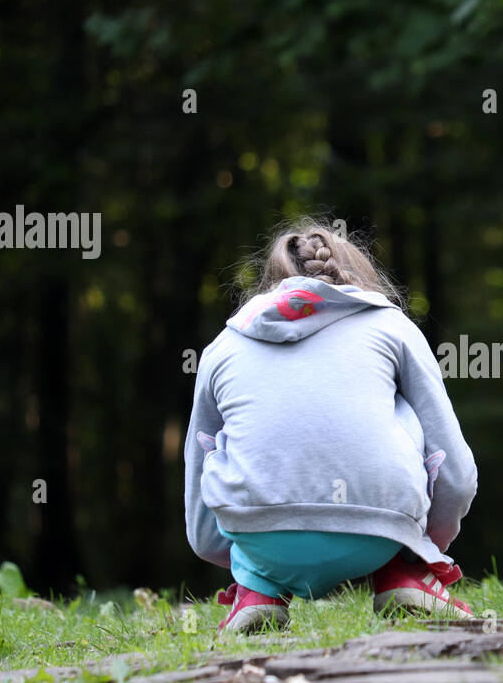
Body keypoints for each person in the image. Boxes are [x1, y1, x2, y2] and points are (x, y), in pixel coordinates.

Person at [184, 220, 477, 634]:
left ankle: (258, 590)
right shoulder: (391, 326)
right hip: (380, 533)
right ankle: (404, 573)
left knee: (239, 437)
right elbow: (456, 471)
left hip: (260, 536)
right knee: (397, 413)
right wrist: (424, 545)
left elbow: (200, 471)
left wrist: (240, 555)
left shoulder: (223, 346)